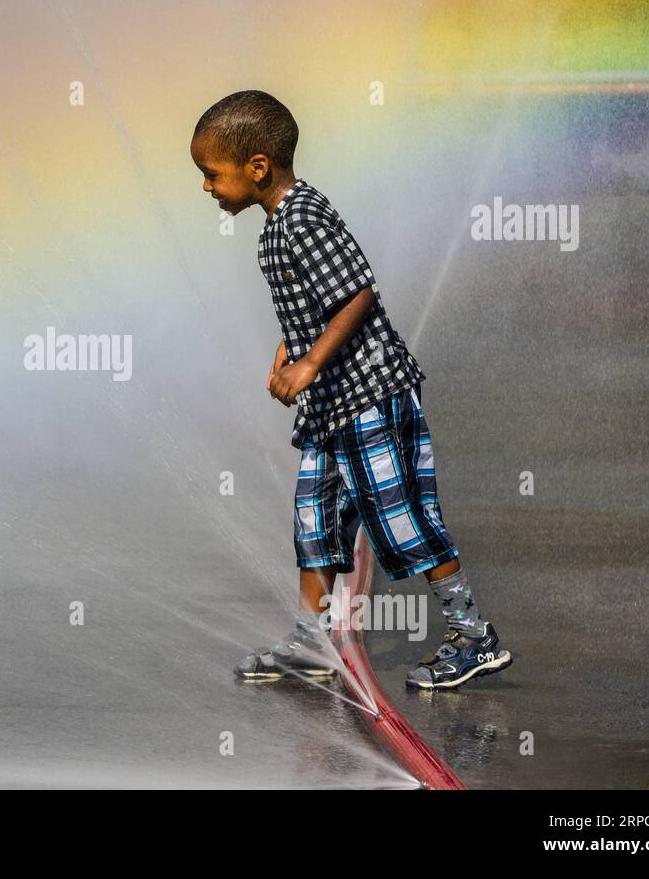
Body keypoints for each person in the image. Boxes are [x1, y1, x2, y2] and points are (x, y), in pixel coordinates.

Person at [189, 90, 513, 690]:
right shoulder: (275, 227)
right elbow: (315, 302)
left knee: (402, 518)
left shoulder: (304, 217)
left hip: (369, 394)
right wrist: (291, 351)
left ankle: (472, 635)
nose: (207, 188)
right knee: (314, 520)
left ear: (257, 167)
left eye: (212, 175)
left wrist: (310, 362)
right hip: (331, 408)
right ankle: (314, 640)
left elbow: (357, 291)